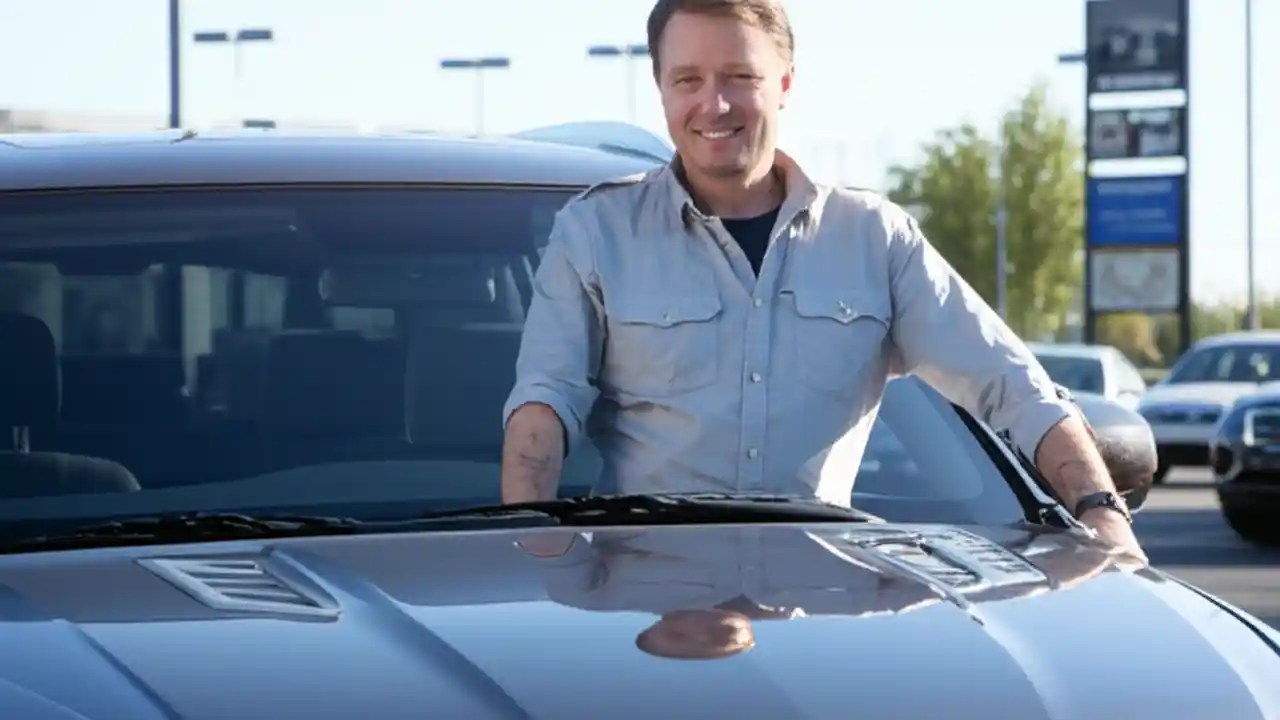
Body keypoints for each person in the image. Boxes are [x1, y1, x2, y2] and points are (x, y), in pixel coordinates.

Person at [500, 0, 1147, 562]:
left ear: (785, 81)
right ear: (661, 87)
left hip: (823, 613)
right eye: (688, 79)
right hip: (640, 600)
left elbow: (1014, 388)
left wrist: (1102, 512)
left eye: (739, 77)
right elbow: (544, 407)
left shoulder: (874, 239)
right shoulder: (596, 232)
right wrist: (528, 551)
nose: (713, 103)